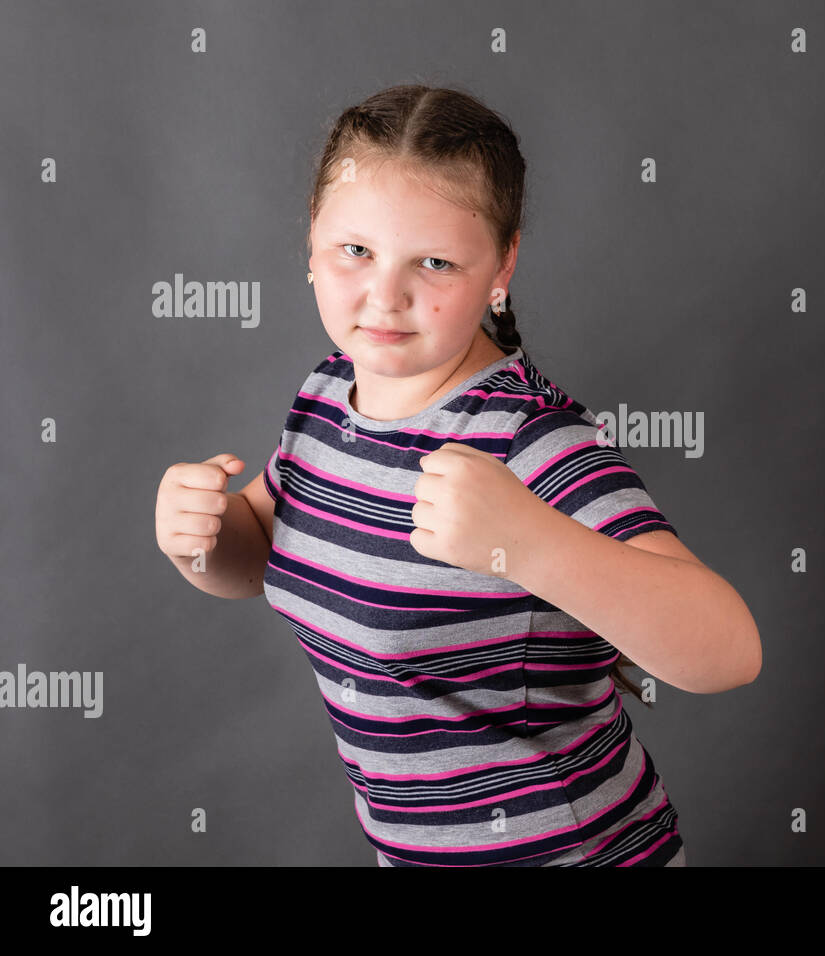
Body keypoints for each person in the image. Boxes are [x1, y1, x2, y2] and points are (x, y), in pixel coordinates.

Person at [155, 84, 761, 866]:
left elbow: (729, 651)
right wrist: (201, 538)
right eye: (356, 251)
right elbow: (264, 558)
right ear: (310, 242)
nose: (385, 295)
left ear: (501, 265)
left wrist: (530, 543)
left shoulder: (530, 440)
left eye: (434, 262)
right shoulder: (328, 395)